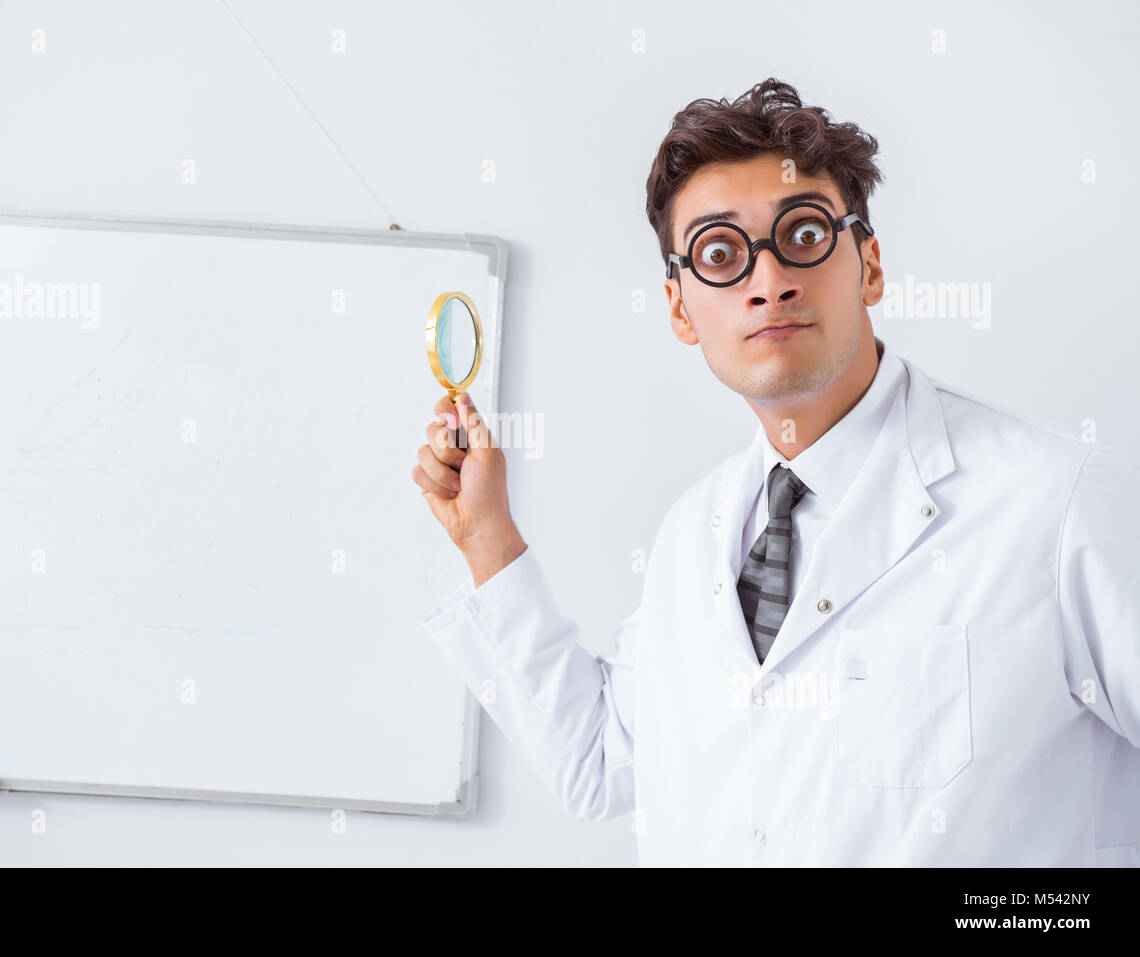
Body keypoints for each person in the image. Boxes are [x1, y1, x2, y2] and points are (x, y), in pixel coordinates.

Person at [410, 78, 1140, 867]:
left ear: (869, 266)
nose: (769, 281)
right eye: (721, 253)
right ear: (680, 309)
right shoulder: (694, 534)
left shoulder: (1056, 506)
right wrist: (487, 538)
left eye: (804, 233)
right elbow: (599, 760)